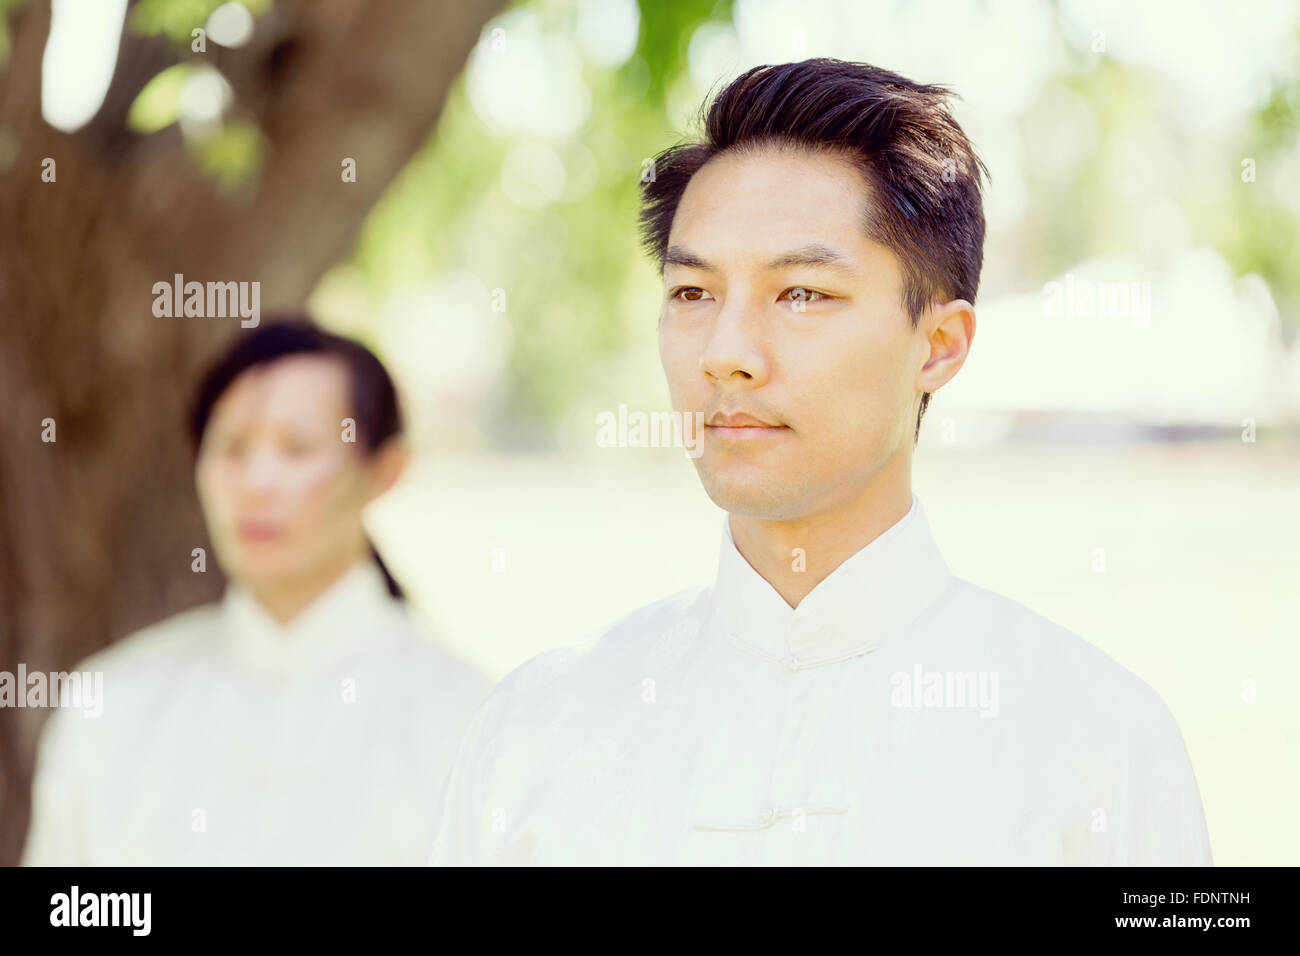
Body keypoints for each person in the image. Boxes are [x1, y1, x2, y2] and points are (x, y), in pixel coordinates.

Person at [429, 59, 1213, 866]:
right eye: (693, 294)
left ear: (938, 347)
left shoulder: (1096, 749)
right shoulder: (537, 733)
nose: (727, 354)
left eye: (801, 294)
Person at [23, 317, 491, 865]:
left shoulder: (468, 727)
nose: (256, 481)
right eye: (232, 447)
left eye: (296, 449)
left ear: (385, 471)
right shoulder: (111, 705)